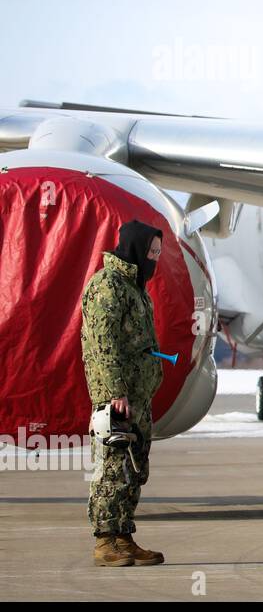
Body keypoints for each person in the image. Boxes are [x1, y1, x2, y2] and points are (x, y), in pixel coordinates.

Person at [81, 220, 167, 567]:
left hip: (137, 397)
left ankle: (123, 536)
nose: (155, 259)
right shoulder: (108, 287)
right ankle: (105, 541)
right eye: (152, 252)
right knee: (113, 468)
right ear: (135, 249)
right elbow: (105, 345)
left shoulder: (134, 288)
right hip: (117, 398)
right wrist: (117, 391)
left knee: (133, 467)